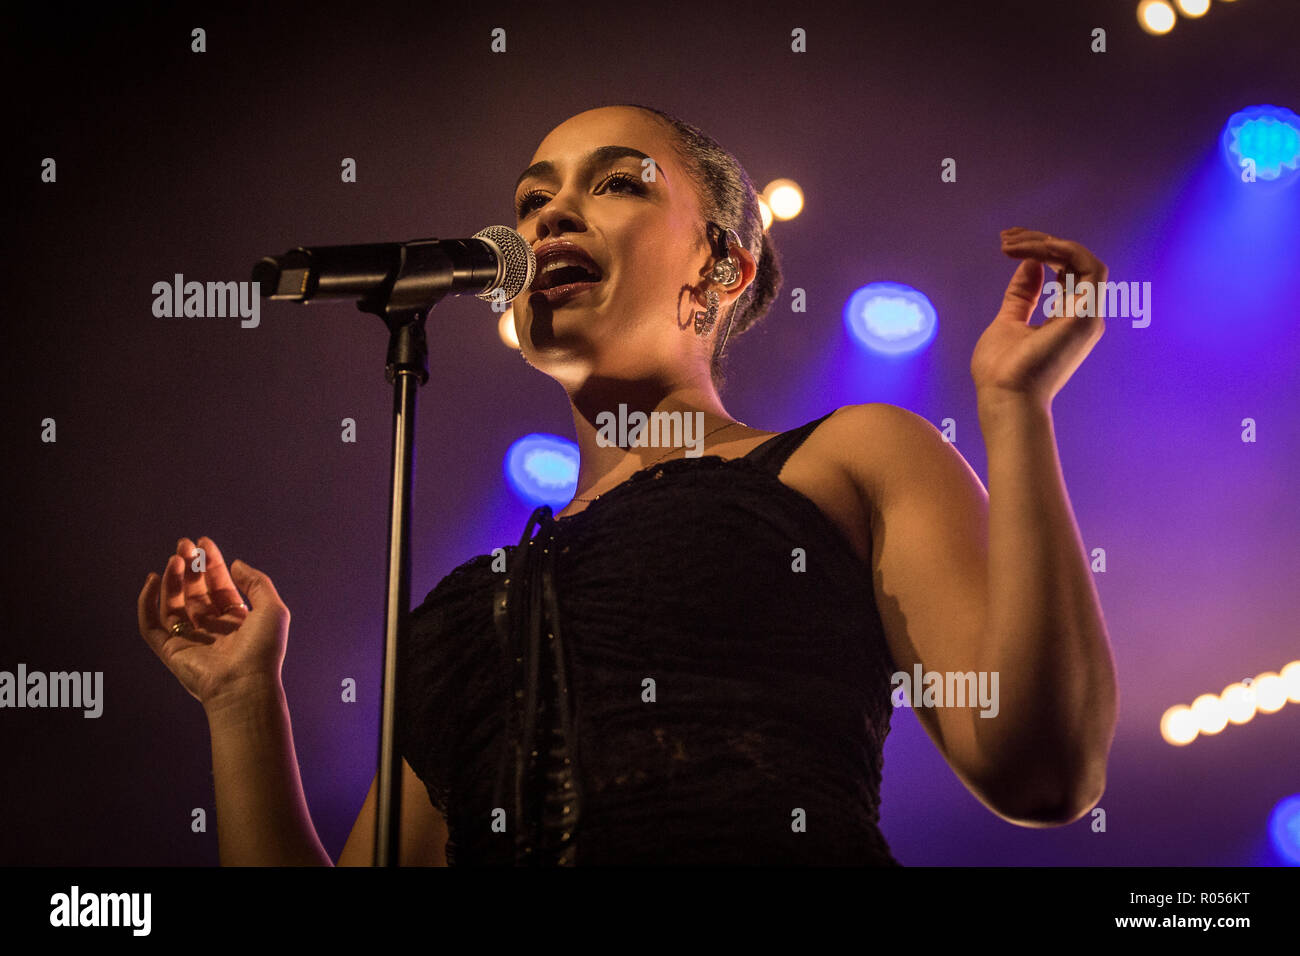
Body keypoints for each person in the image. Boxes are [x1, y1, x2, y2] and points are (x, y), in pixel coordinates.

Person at [136, 104, 1118, 866]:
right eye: (529, 200)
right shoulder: (468, 611)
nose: (548, 212)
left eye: (616, 183)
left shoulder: (848, 455)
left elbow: (1041, 767)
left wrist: (1013, 406)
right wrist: (241, 700)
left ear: (723, 264)